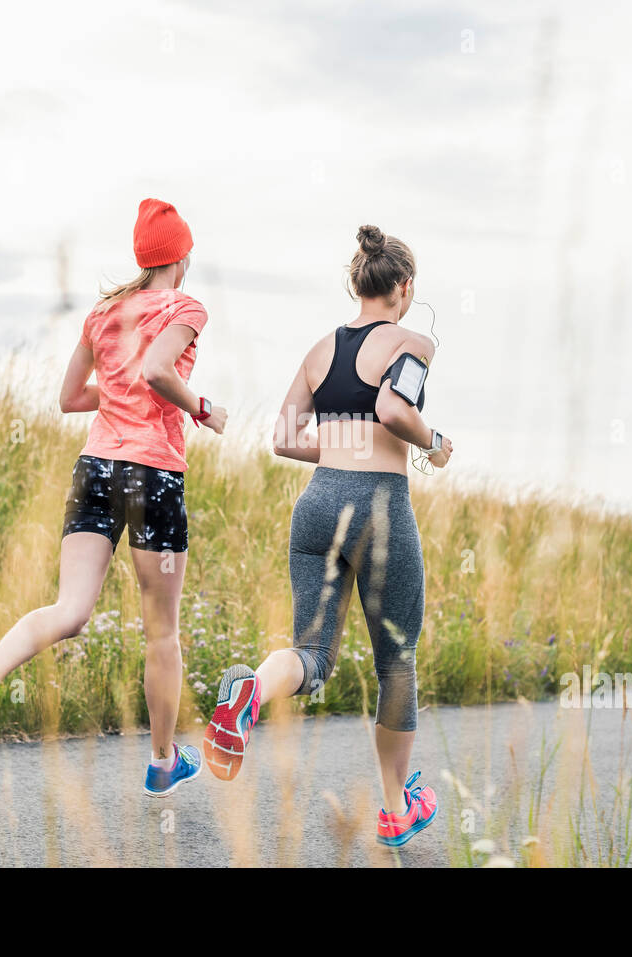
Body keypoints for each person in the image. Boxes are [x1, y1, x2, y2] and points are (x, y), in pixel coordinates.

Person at [0, 198, 227, 797]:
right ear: (182, 256)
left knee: (70, 610)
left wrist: (118, 398)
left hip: (96, 468)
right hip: (153, 474)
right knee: (162, 632)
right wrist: (200, 407)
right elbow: (156, 370)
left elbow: (70, 397)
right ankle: (163, 760)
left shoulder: (104, 312)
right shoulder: (185, 305)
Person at [203, 224, 452, 847]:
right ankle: (396, 808)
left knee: (311, 654)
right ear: (405, 286)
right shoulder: (413, 341)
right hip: (379, 509)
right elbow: (396, 410)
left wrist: (343, 441)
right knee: (397, 660)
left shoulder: (321, 350)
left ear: (357, 283)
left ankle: (251, 691)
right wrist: (437, 443)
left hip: (316, 505)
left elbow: (285, 437)